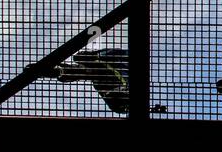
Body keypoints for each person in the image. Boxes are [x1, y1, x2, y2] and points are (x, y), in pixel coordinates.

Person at [34, 47, 162, 115]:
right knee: (86, 70)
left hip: (108, 79)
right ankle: (59, 71)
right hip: (108, 77)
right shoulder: (123, 65)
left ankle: (60, 71)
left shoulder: (123, 65)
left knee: (85, 71)